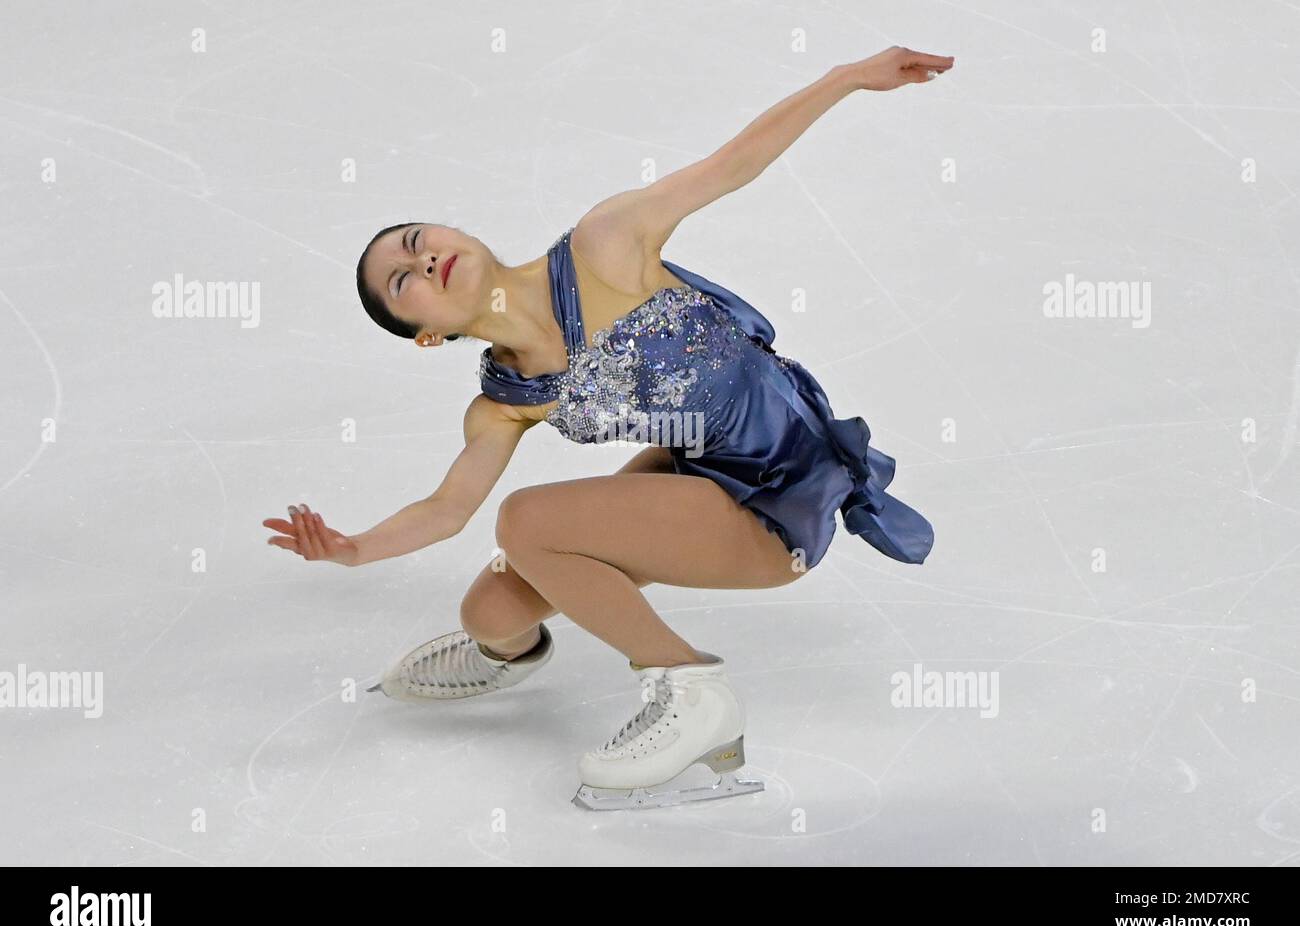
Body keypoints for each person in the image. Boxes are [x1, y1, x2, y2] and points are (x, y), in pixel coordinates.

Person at [264, 46, 951, 810]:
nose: (425, 262)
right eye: (404, 280)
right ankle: (512, 659)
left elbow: (732, 165)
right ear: (426, 334)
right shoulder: (503, 400)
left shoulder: (604, 244)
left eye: (418, 241)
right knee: (490, 613)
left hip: (781, 503)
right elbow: (445, 508)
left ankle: (692, 692)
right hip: (699, 478)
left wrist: (844, 79)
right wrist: (354, 550)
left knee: (527, 520)